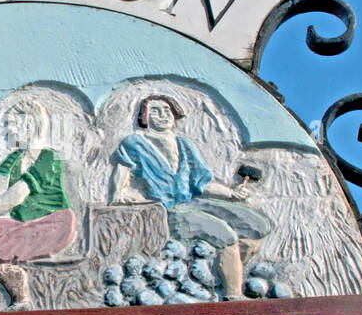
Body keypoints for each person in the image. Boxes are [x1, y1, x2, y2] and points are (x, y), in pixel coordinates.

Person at [110, 94, 269, 298]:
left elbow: (202, 183)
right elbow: (123, 169)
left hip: (193, 201)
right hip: (168, 210)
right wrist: (118, 194)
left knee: (256, 226)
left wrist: (233, 194)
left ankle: (220, 270)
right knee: (226, 236)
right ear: (145, 117)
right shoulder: (135, 143)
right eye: (156, 111)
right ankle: (233, 296)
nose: (163, 115)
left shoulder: (184, 145)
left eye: (167, 111)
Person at [0, 98, 76, 309]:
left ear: (28, 125)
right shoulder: (14, 158)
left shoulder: (49, 158)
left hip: (53, 224)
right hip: (23, 224)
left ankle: (21, 301)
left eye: (10, 126)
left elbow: (14, 198)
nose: (5, 132)